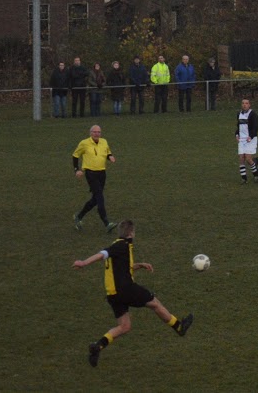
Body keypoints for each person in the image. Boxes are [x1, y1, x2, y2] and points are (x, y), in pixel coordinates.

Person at [73, 219, 194, 367]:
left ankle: (98, 346)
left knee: (124, 326)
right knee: (155, 303)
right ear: (131, 233)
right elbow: (102, 254)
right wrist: (84, 263)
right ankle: (179, 327)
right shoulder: (121, 246)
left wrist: (140, 265)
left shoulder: (120, 245)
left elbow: (123, 267)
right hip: (126, 289)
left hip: (113, 295)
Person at [72, 124, 116, 232]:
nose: (97, 134)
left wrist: (110, 156)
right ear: (90, 133)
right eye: (95, 132)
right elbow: (75, 155)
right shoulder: (84, 143)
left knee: (95, 199)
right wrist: (76, 170)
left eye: (99, 132)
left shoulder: (104, 141)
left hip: (102, 173)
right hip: (91, 173)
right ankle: (106, 223)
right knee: (100, 197)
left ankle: (79, 216)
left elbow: (107, 152)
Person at [236, 98, 258, 184]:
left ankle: (256, 175)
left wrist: (251, 136)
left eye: (246, 103)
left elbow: (256, 127)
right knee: (241, 158)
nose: (244, 105)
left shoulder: (253, 114)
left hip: (251, 139)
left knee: (248, 158)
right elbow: (238, 126)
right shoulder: (239, 114)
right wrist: (237, 135)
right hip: (242, 139)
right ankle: (244, 179)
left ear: (249, 105)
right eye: (243, 103)